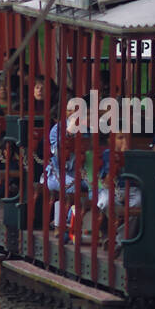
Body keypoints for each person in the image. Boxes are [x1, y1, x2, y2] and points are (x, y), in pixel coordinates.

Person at [42, 98, 91, 232]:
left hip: (83, 174)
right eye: (71, 110)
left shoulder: (88, 129)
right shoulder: (56, 130)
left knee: (96, 188)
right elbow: (59, 156)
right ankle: (65, 222)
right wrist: (69, 133)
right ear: (66, 113)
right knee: (72, 188)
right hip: (59, 174)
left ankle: (83, 223)